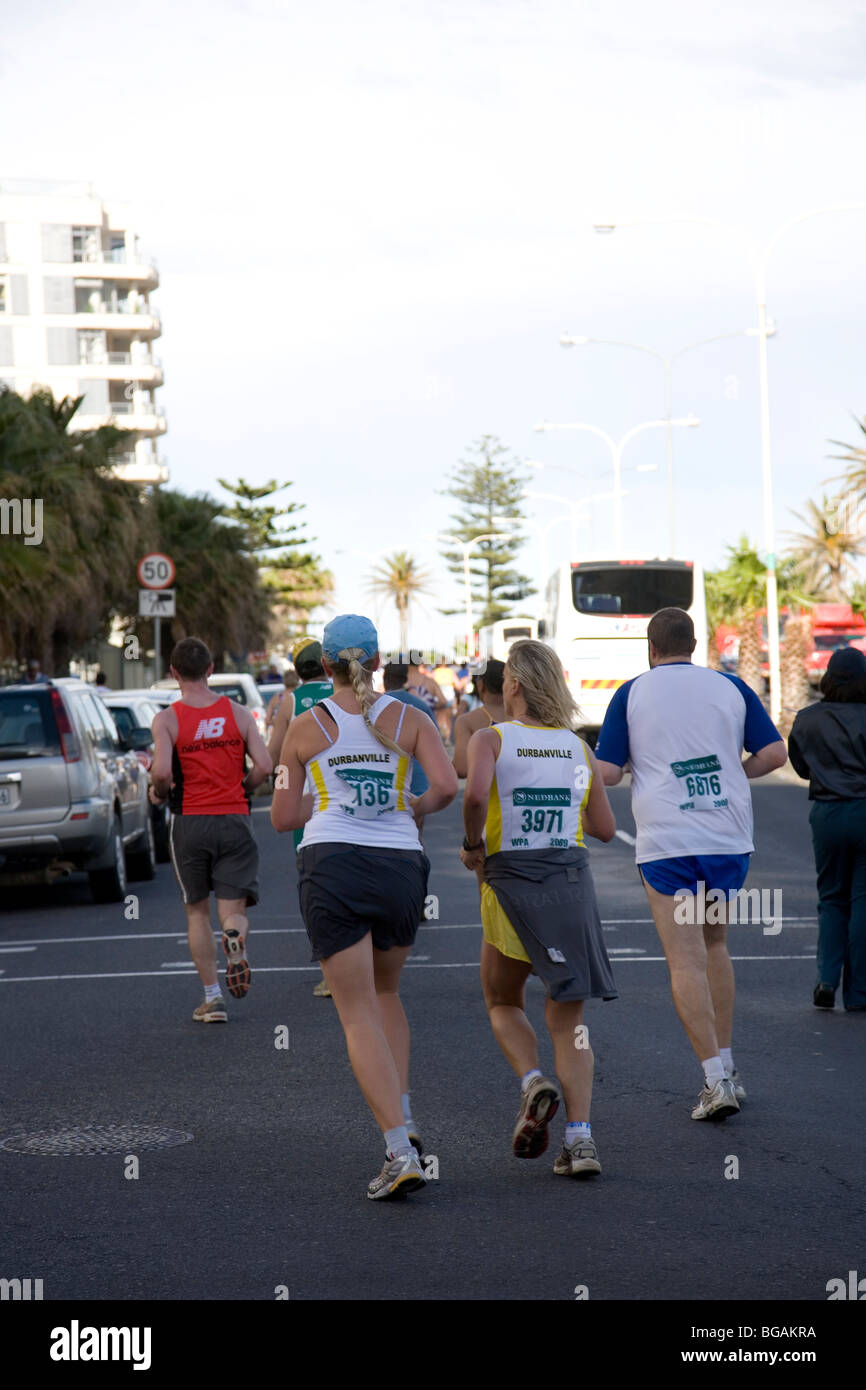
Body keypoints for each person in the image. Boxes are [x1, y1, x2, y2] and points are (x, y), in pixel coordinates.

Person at [271, 614, 457, 1200]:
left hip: (333, 865)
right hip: (402, 866)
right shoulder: (411, 717)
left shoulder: (304, 726)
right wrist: (410, 803)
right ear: (378, 663)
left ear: (324, 667)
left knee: (356, 1014)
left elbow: (280, 817)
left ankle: (398, 1150)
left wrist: (330, 799)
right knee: (386, 994)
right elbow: (448, 787)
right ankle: (405, 1117)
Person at [595, 607, 787, 1121]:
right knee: (716, 944)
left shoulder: (632, 692)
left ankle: (713, 1080)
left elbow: (609, 773)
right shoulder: (731, 687)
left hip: (667, 840)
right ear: (695, 645)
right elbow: (773, 755)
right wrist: (732, 776)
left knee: (684, 961)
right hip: (727, 836)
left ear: (650, 648)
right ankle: (727, 1064)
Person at [461, 640, 617, 1177]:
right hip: (570, 885)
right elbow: (605, 829)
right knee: (570, 1022)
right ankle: (581, 1141)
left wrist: (471, 843)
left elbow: (476, 797)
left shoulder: (492, 738)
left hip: (511, 883)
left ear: (515, 686)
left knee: (502, 999)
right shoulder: (578, 748)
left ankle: (533, 1081)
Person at [150, 637, 273, 1022]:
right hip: (234, 817)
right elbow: (266, 766)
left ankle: (212, 997)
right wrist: (245, 787)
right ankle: (235, 939)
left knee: (196, 912)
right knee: (231, 910)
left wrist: (159, 793)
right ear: (211, 670)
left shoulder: (167, 719)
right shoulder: (237, 714)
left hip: (190, 821)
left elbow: (163, 772)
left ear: (173, 673)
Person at [788, 647, 866, 1012]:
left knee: (832, 898)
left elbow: (802, 768)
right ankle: (859, 993)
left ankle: (826, 979)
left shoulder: (806, 719)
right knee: (862, 901)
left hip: (827, 812)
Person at [268, 637, 335, 998]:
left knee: (316, 887)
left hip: (307, 804)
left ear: (297, 669)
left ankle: (331, 970)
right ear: (326, 665)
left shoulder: (290, 701)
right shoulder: (346, 692)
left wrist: (277, 785)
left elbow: (275, 754)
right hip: (349, 798)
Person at [382, 662, 439, 836]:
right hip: (417, 777)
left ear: (384, 679)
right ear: (406, 679)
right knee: (415, 833)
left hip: (385, 778)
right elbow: (435, 744)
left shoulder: (375, 706)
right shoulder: (420, 706)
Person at [452, 659, 506, 778]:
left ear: (481, 685)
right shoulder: (525, 716)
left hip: (487, 793)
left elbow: (462, 769)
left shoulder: (466, 722)